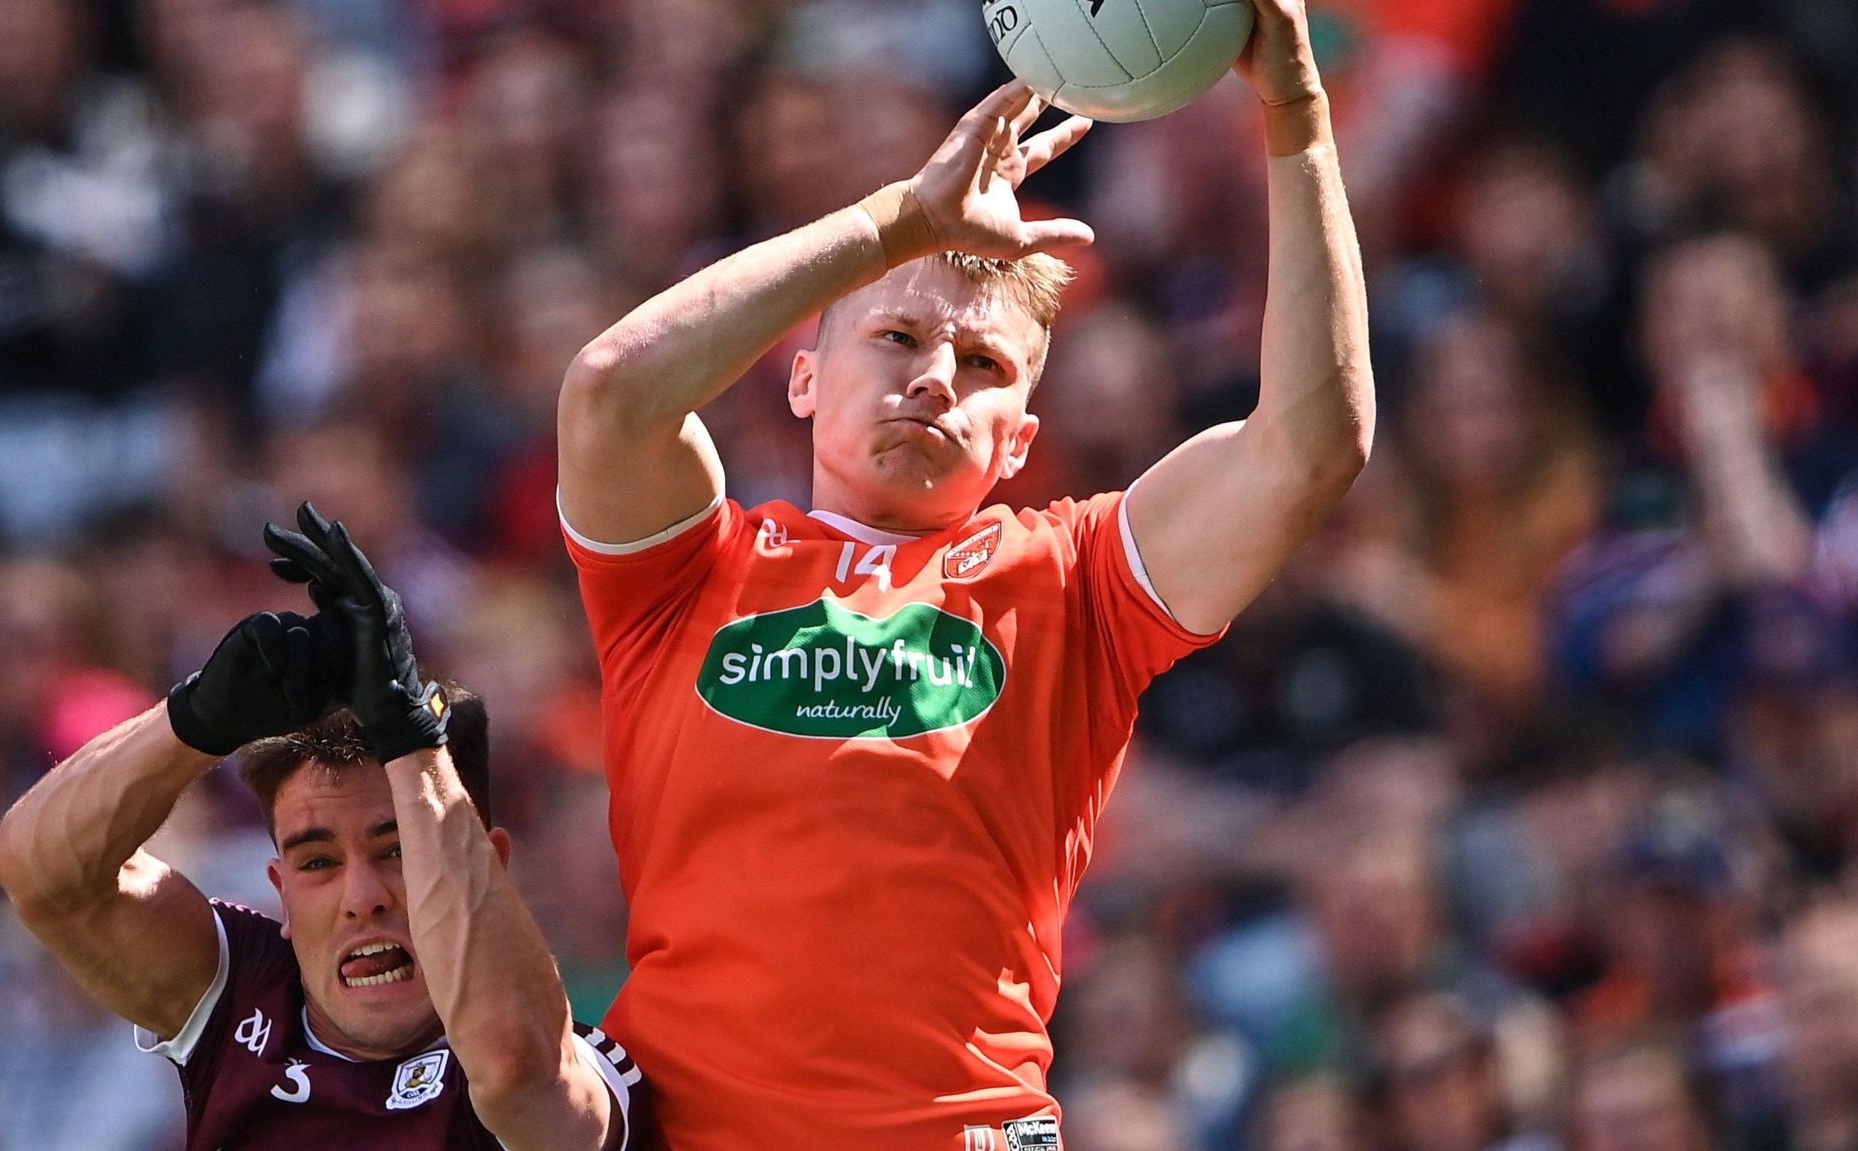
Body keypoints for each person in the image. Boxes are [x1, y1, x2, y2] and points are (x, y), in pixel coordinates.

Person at [552, 0, 1372, 1144]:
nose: (935, 376)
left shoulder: (1075, 582)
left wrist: (1294, 114)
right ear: (801, 377)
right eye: (893, 337)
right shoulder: (688, 568)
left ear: (1018, 442)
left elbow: (1309, 445)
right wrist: (896, 224)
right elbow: (607, 390)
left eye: (982, 362)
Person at [0, 505, 643, 1150]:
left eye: (399, 849)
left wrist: (408, 736)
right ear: (282, 888)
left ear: (490, 865)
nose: (364, 895)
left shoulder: (583, 1065)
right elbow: (39, 871)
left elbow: (515, 1070)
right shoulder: (244, 993)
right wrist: (194, 720)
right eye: (318, 860)